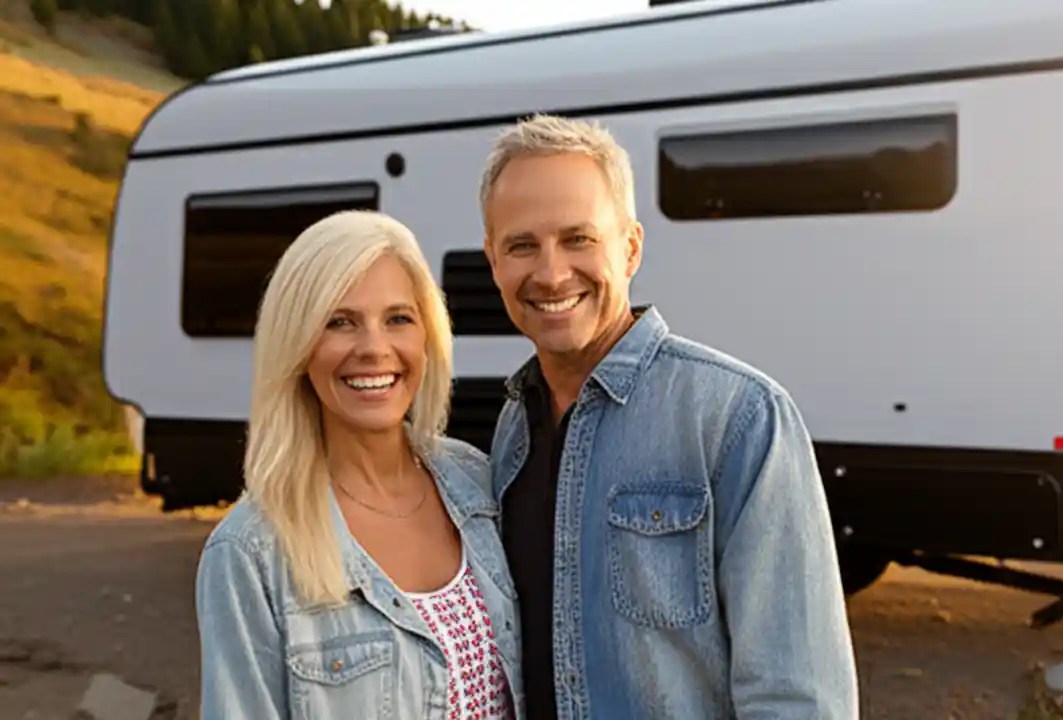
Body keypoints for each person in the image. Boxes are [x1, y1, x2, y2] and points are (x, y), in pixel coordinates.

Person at [479, 114, 858, 718]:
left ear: (630, 247)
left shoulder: (739, 418)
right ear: (493, 261)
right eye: (523, 245)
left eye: (578, 239)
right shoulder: (512, 432)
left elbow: (798, 696)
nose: (550, 273)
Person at [194, 210, 524, 719]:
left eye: (398, 319)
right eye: (339, 322)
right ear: (298, 347)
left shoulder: (477, 481)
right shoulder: (250, 553)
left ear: (427, 337)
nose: (374, 349)